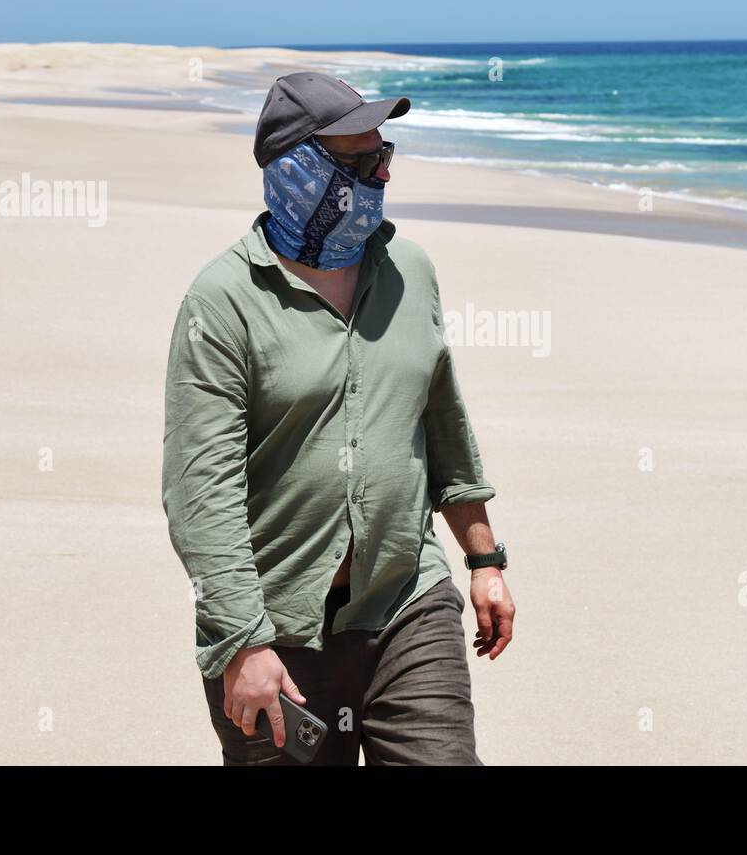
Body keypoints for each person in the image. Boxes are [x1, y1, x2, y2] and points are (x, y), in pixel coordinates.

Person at [161, 71, 514, 765]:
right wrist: (244, 642)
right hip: (275, 629)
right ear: (296, 171)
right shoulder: (223, 300)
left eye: (385, 155)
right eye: (358, 161)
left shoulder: (409, 270)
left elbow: (444, 424)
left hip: (406, 597)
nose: (382, 172)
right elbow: (201, 494)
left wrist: (484, 559)